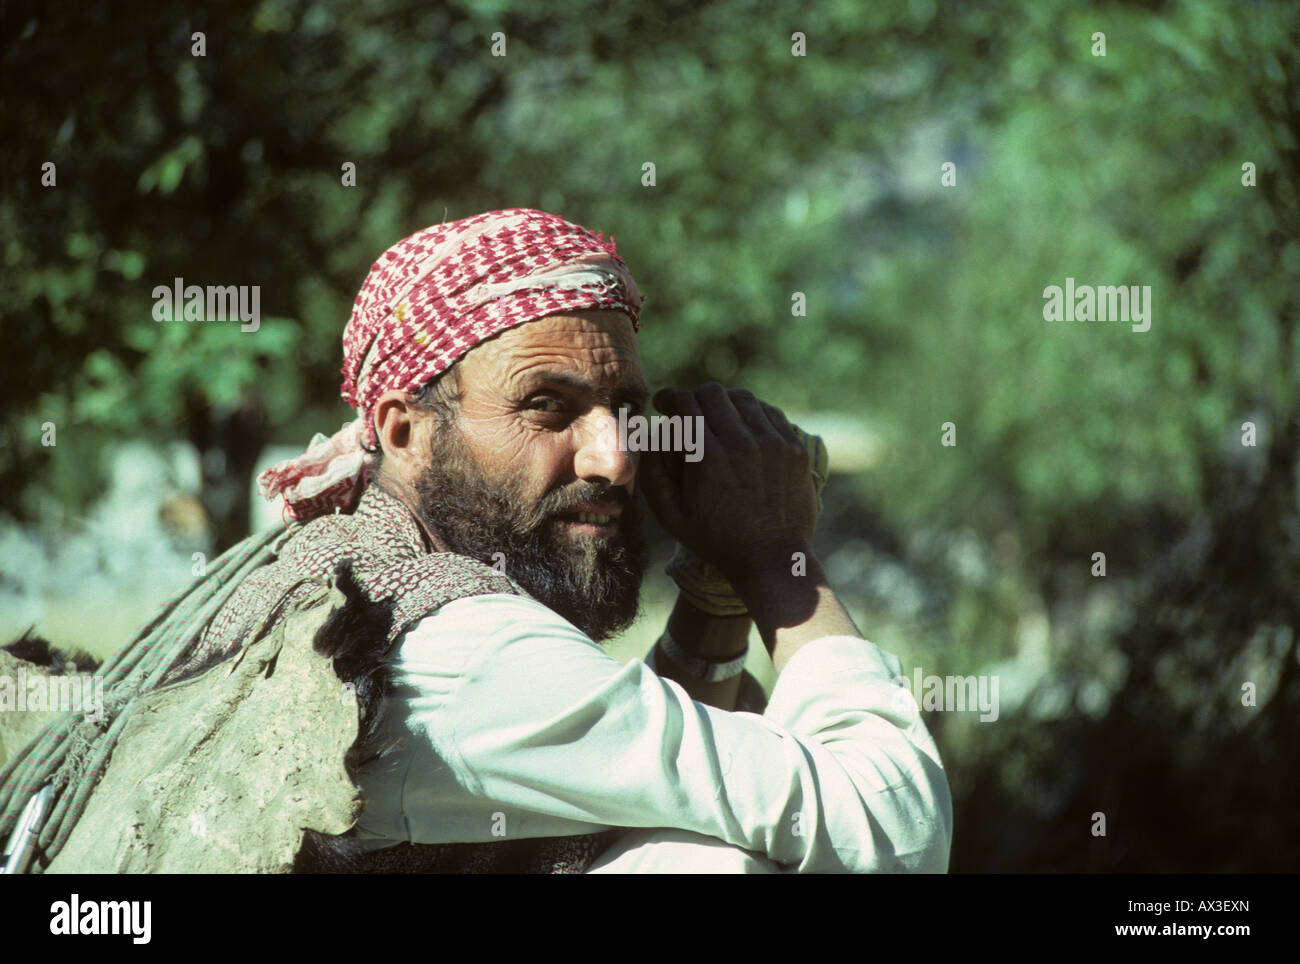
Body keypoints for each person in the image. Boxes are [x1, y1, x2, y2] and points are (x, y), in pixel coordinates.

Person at [3, 208, 952, 874]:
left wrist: (711, 603)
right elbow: (892, 832)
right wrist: (776, 557)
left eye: (626, 409)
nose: (615, 459)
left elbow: (623, 762)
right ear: (407, 427)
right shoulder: (452, 653)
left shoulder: (349, 570)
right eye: (550, 408)